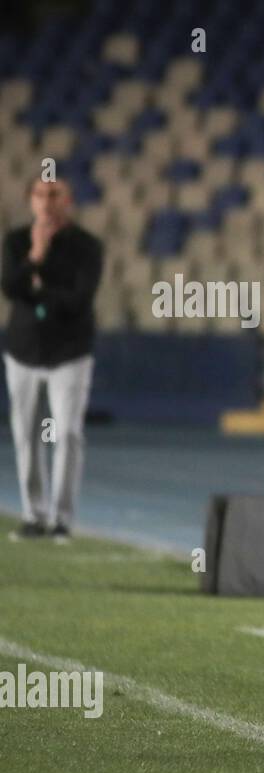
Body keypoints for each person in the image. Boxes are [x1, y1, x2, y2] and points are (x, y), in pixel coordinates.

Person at [1, 178, 103, 542]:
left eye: (55, 194)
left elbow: (80, 298)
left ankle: (62, 519)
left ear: (69, 200)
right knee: (26, 434)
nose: (47, 202)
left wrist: (40, 294)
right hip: (24, 350)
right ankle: (34, 515)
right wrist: (35, 258)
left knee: (67, 433)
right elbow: (10, 287)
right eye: (40, 194)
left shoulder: (87, 246)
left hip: (69, 352)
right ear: (30, 200)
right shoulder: (16, 242)